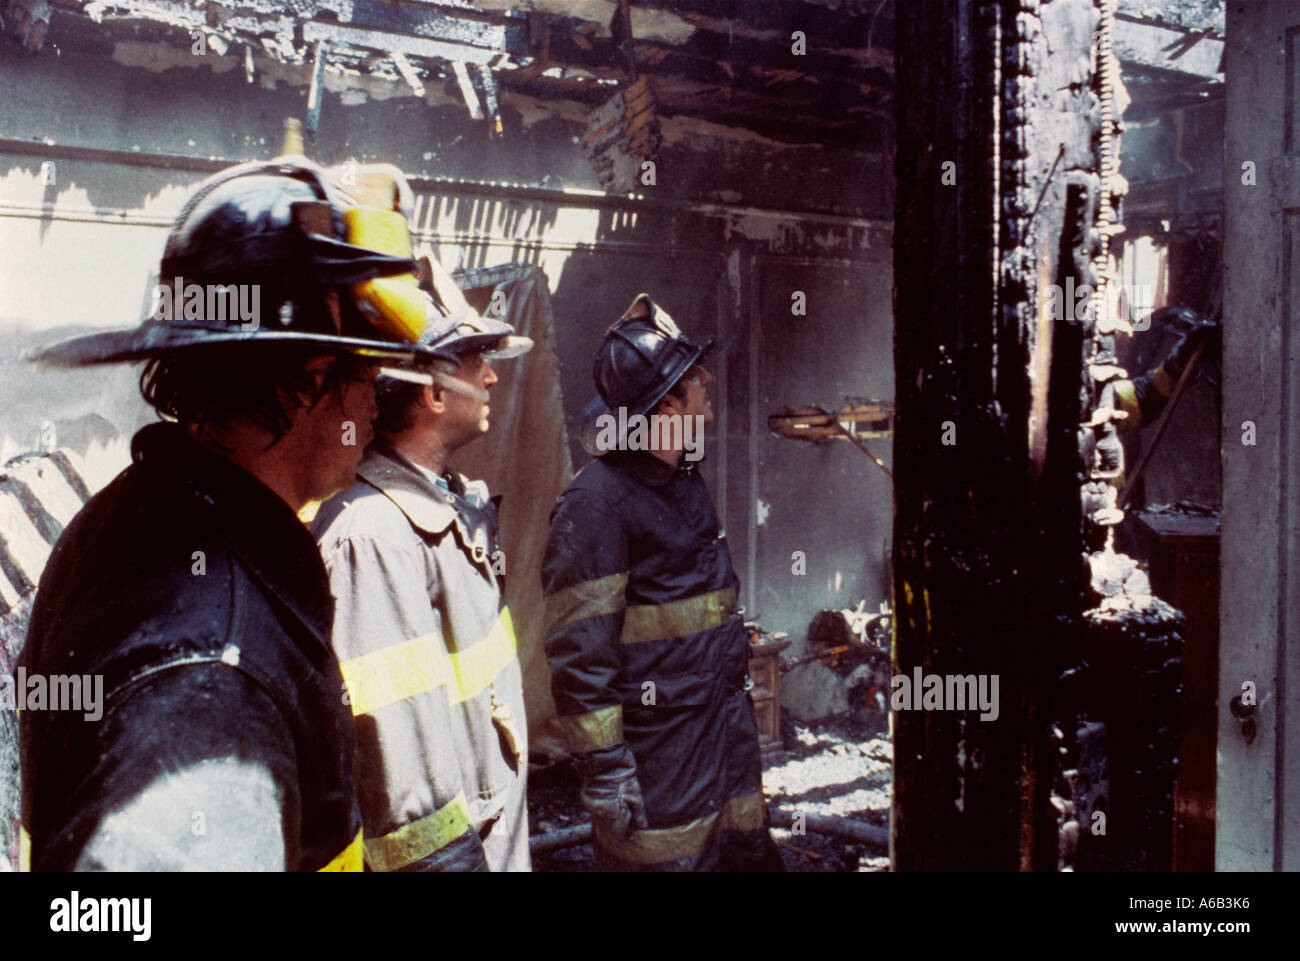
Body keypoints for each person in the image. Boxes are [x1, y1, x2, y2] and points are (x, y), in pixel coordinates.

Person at [18, 157, 457, 871]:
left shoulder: (125, 518)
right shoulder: (217, 677)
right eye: (368, 375)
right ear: (312, 379)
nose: (375, 407)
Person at [541, 293, 780, 871]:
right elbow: (580, 657)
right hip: (660, 760)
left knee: (742, 853)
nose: (706, 380)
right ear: (669, 408)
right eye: (690, 376)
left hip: (720, 737)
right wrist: (606, 768)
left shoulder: (680, 477)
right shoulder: (596, 503)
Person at [312, 255, 533, 871]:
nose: (491, 378)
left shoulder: (441, 506)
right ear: (434, 393)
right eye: (476, 363)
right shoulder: (373, 538)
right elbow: (402, 783)